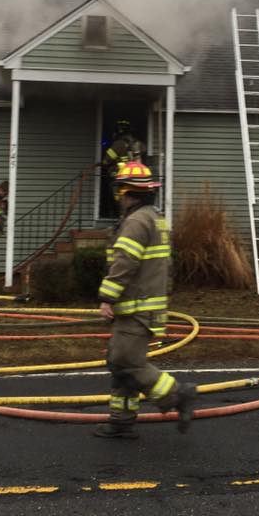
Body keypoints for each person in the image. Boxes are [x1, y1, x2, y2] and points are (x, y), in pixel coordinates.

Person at [94, 161, 197, 439]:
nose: (119, 198)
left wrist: (107, 297)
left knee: (126, 361)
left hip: (136, 307)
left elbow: (125, 262)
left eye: (120, 192)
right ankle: (121, 421)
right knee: (119, 364)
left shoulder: (137, 221)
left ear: (126, 192)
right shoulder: (153, 218)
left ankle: (178, 395)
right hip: (140, 306)